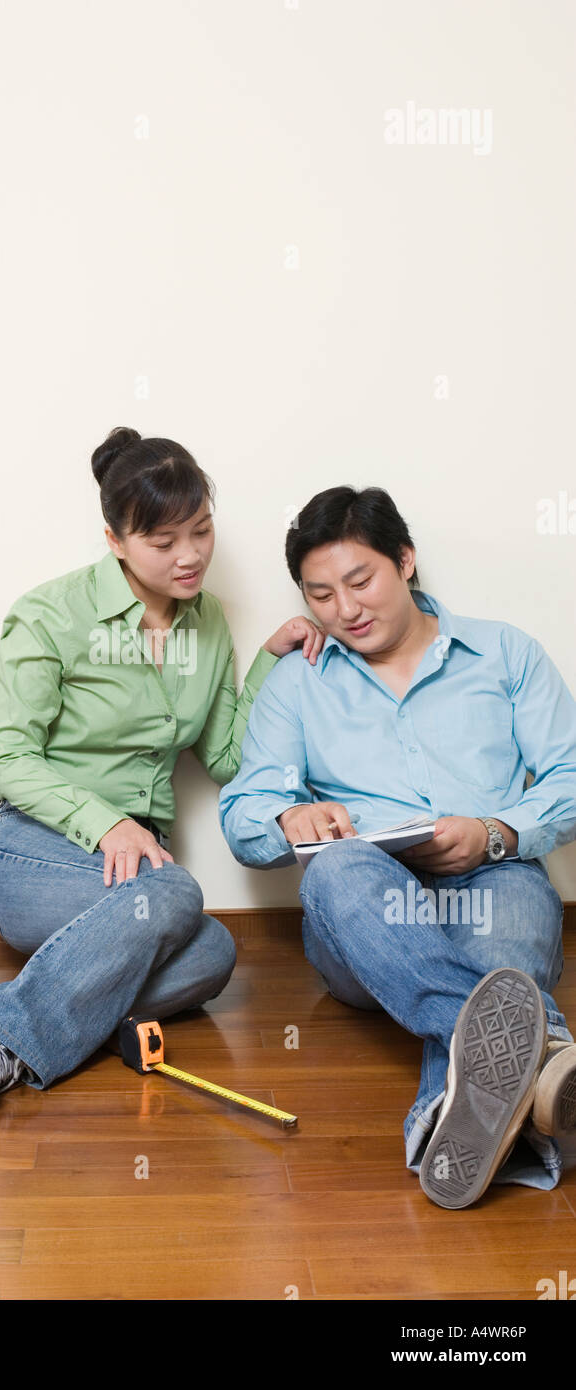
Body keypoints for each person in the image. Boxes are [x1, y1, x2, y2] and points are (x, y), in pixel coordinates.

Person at [0, 426, 323, 1110]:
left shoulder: (208, 626)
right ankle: (3, 1048)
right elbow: (9, 759)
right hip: (34, 853)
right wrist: (106, 822)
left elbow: (227, 757)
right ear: (115, 539)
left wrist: (267, 658)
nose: (191, 556)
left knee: (214, 955)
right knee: (177, 894)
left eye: (201, 532)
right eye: (164, 542)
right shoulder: (50, 615)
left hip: (133, 875)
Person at [218, 485, 576, 1209]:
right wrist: (290, 821)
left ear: (405, 561)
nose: (346, 609)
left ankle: (450, 1120)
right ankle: (544, 1060)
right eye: (321, 594)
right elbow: (243, 812)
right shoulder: (298, 683)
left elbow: (570, 775)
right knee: (341, 869)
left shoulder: (504, 654)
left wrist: (496, 833)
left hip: (492, 880)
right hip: (367, 917)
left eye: (361, 580)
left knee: (507, 911)